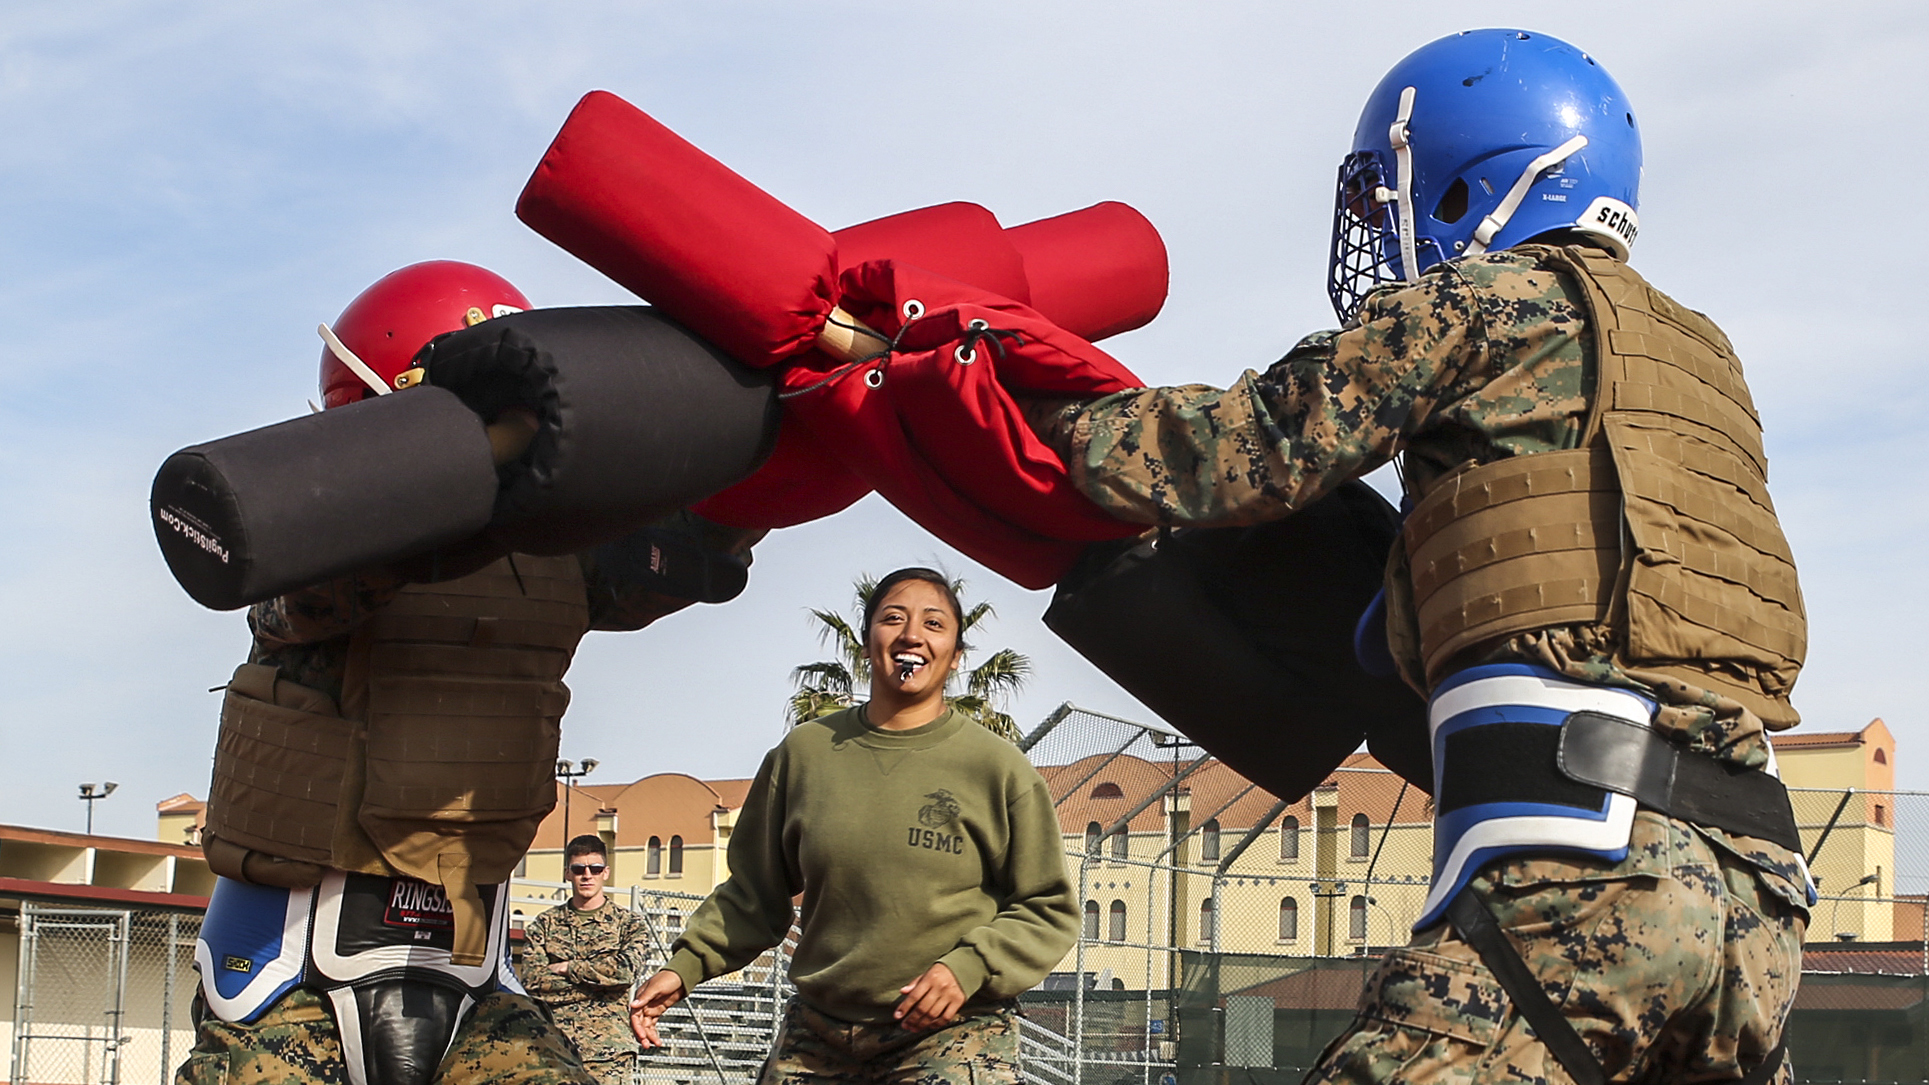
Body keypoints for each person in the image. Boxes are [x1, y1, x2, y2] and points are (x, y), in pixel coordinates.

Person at [1024, 30, 1809, 1085]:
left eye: (1393, 192)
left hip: (1580, 867)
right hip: (1756, 900)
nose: (1386, 225)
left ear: (1466, 181)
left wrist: (1037, 412)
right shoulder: (1705, 362)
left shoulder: (1477, 303)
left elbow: (1235, 452)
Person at [179, 261, 762, 1085]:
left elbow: (679, 562)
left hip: (467, 963)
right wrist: (466, 465)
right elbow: (307, 600)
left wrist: (776, 449)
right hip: (287, 968)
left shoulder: (553, 559)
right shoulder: (310, 544)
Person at [627, 567, 1080, 1084]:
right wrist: (683, 967)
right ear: (867, 645)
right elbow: (755, 892)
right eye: (893, 618)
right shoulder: (804, 754)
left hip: (951, 1032)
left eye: (934, 624)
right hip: (821, 1031)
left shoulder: (998, 769)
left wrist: (968, 967)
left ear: (954, 657)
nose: (911, 634)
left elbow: (1046, 908)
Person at [518, 837, 649, 1085]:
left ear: (605, 873)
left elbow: (625, 973)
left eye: (595, 869)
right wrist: (601, 987)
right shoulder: (545, 925)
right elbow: (533, 982)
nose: (587, 875)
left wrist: (569, 968)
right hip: (554, 1048)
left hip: (608, 1056)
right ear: (568, 873)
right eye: (578, 869)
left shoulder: (628, 925)